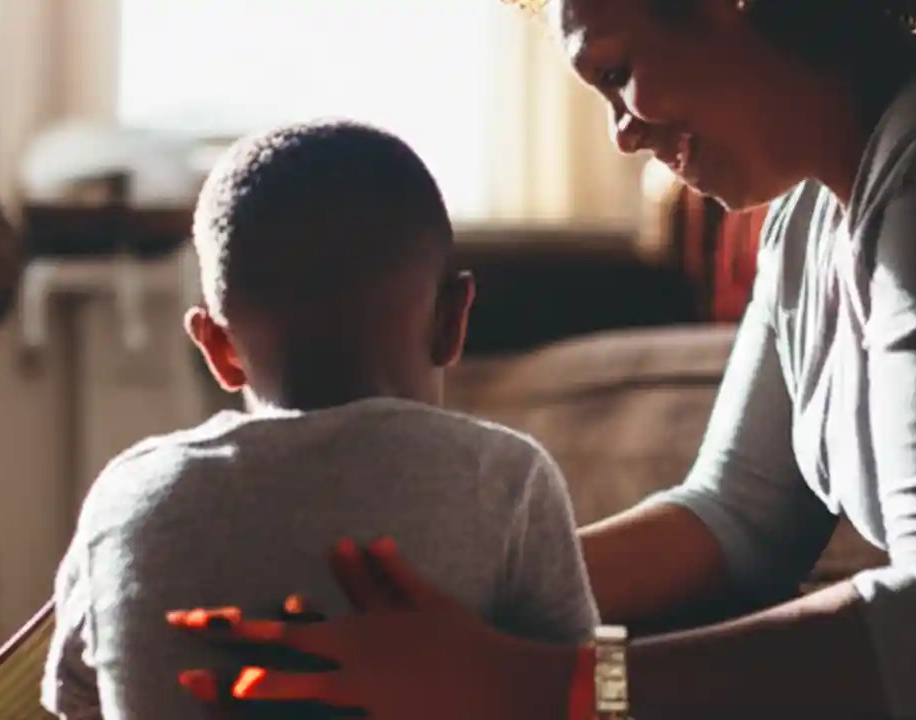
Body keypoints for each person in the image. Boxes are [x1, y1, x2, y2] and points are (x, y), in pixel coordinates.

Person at [172, 1, 916, 717]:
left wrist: (545, 687)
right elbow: (735, 519)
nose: (622, 135)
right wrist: (419, 592)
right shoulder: (809, 211)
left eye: (619, 71)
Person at [40, 121, 598, 719]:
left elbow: (76, 701)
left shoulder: (126, 495)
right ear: (454, 320)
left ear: (217, 348)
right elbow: (581, 698)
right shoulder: (507, 480)